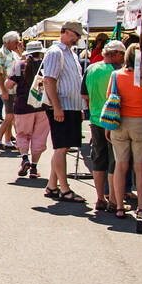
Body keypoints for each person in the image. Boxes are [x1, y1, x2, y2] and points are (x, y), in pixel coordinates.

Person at [41, 20, 87, 204]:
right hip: (62, 106)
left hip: (71, 106)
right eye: (75, 34)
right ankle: (64, 188)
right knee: (61, 147)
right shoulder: (55, 52)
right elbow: (49, 80)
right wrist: (57, 106)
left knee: (63, 147)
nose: (78, 38)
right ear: (66, 32)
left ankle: (53, 185)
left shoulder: (70, 54)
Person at [108, 44, 142, 221]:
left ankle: (119, 206)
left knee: (120, 164)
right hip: (140, 121)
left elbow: (109, 98)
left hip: (118, 121)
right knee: (140, 167)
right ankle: (141, 207)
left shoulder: (116, 75)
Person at [82, 39, 125, 213]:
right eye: (121, 54)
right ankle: (114, 200)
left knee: (98, 159)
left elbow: (84, 94)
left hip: (95, 119)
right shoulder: (117, 71)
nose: (122, 58)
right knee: (114, 161)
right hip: (113, 120)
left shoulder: (91, 68)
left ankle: (100, 198)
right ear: (115, 54)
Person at [9, 41, 50, 180]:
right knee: (39, 136)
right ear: (41, 52)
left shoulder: (19, 65)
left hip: (23, 106)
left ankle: (25, 158)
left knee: (22, 134)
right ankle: (34, 166)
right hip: (42, 106)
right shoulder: (46, 66)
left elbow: (9, 84)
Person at [0, 32, 22, 149]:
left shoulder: (14, 54)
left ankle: (7, 140)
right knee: (10, 115)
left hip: (14, 89)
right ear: (9, 42)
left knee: (11, 116)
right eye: (16, 42)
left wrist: (20, 50)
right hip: (7, 89)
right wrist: (4, 90)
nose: (17, 44)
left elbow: (21, 64)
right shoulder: (0, 53)